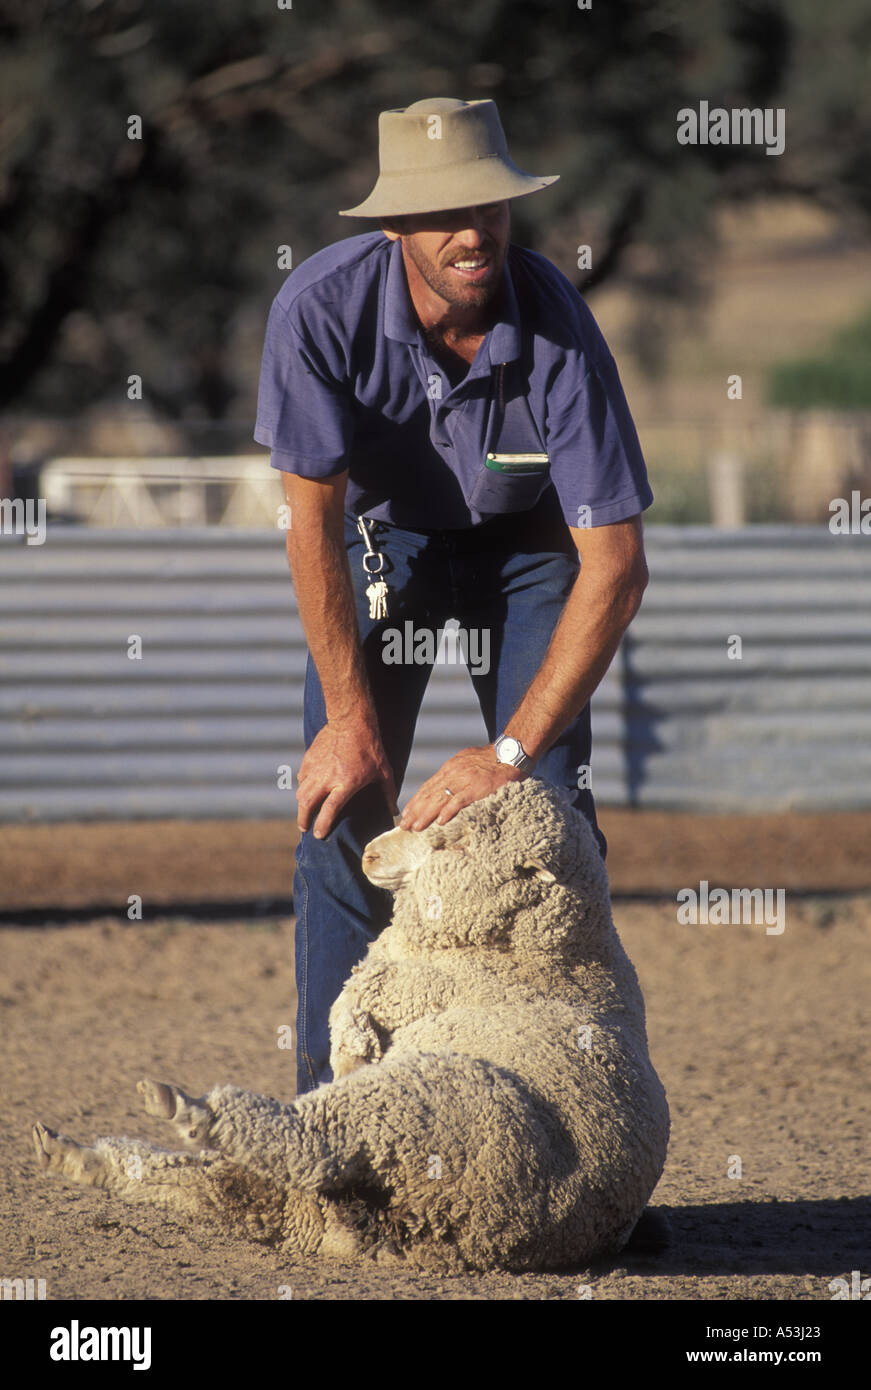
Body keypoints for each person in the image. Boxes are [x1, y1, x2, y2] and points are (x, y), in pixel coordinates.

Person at [254, 97, 652, 1095]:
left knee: (549, 819)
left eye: (489, 207)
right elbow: (311, 520)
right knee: (342, 810)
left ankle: (582, 1116)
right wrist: (348, 720)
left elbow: (616, 562)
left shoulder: (557, 327)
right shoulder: (317, 309)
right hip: (391, 545)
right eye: (443, 215)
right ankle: (329, 1118)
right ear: (395, 228)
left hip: (530, 546)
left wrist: (508, 754)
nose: (472, 231)